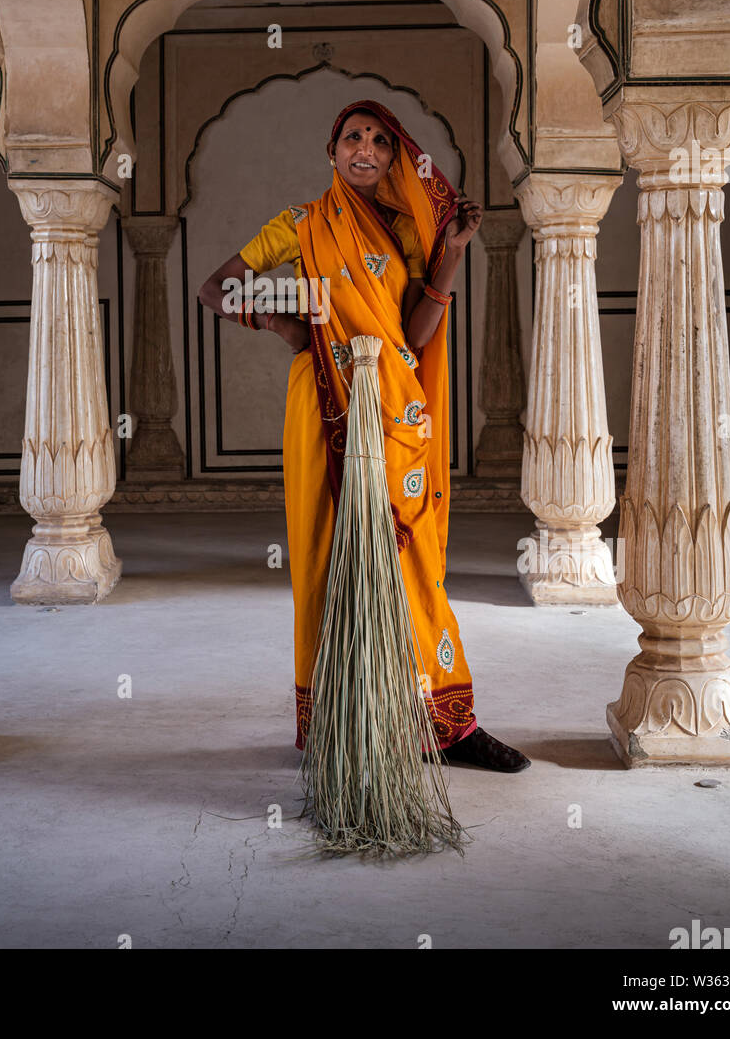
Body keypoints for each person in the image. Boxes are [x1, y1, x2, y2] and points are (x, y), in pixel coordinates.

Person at [198, 99, 530, 773]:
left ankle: (449, 727)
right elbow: (217, 288)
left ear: (393, 157)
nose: (365, 149)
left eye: (379, 141)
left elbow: (412, 336)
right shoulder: (301, 225)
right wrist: (290, 327)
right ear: (332, 151)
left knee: (411, 558)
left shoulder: (409, 232)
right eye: (352, 137)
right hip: (323, 401)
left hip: (391, 402)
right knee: (329, 553)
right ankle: (343, 724)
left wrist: (454, 253)